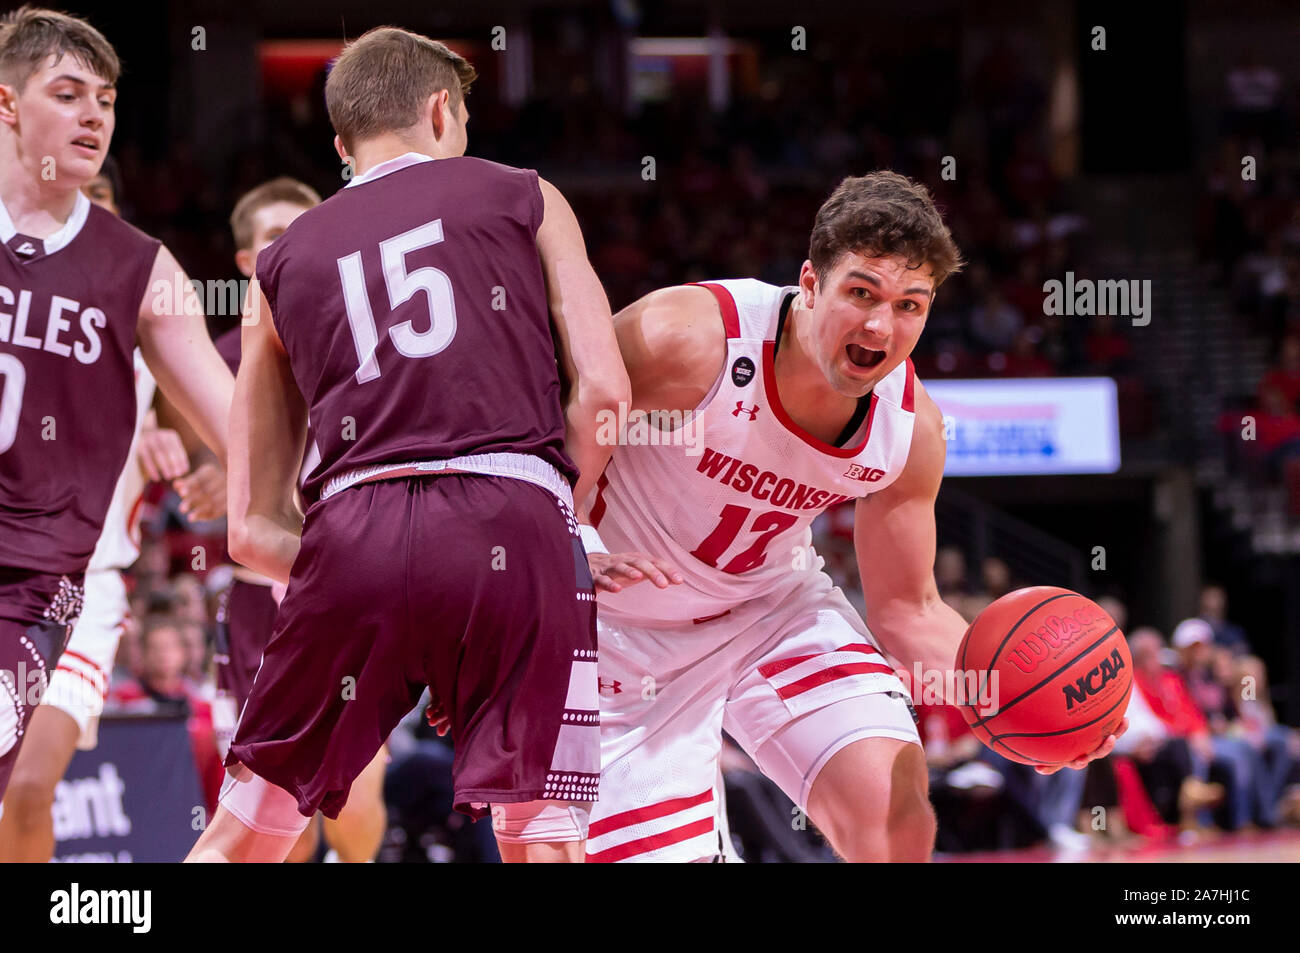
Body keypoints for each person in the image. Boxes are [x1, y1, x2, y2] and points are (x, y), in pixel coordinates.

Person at [579, 171, 1123, 862]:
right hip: (622, 631)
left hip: (768, 610)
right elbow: (536, 422)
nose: (879, 325)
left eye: (909, 305)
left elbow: (908, 608)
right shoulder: (691, 338)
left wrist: (1013, 705)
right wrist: (561, 549)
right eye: (861, 292)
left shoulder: (910, 428)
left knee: (896, 820)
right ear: (809, 283)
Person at [186, 26, 628, 864]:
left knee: (247, 830)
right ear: (439, 110)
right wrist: (551, 523)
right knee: (540, 831)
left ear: (343, 142)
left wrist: (361, 576)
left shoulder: (278, 262)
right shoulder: (524, 192)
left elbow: (247, 528)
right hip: (513, 510)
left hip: (353, 529)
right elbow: (604, 391)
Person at [0, 5, 233, 801]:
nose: (93, 114)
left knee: (24, 780)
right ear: (6, 105)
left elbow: (238, 430)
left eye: (105, 98)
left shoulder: (144, 271)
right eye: (68, 94)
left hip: (35, 582)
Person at [212, 176, 390, 863]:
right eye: (269, 238)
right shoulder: (222, 357)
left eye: (300, 230)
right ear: (242, 261)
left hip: (347, 578)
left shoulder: (371, 338)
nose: (288, 247)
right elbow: (183, 462)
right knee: (271, 803)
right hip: (264, 591)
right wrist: (195, 473)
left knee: (356, 786)